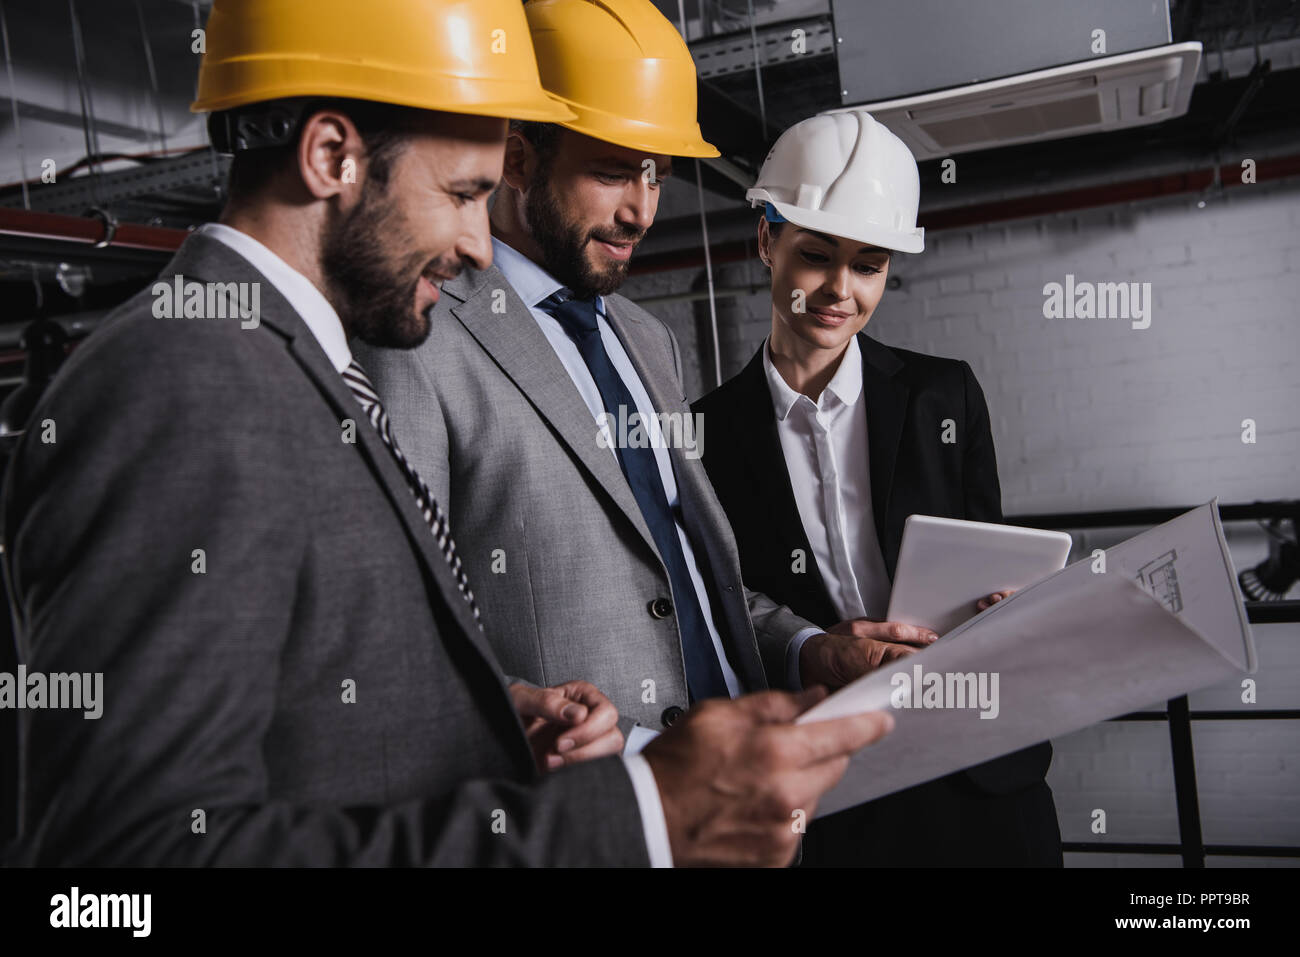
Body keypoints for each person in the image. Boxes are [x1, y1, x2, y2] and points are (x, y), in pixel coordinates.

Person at [0, 0, 893, 868]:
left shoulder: (292, 368)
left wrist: (488, 719)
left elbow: (317, 711)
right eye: (465, 192)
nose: (478, 246)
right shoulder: (181, 385)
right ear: (330, 155)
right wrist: (633, 815)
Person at [355, 0, 903, 754]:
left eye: (657, 177)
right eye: (612, 174)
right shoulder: (419, 335)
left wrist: (811, 647)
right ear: (519, 159)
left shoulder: (649, 341)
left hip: (737, 789)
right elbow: (402, 626)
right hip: (595, 816)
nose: (641, 212)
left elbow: (688, 575)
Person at [693, 110, 1062, 866]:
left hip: (981, 772)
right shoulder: (707, 433)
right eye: (816, 256)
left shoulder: (943, 396)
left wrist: (1010, 605)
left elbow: (990, 554)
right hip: (835, 787)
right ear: (766, 241)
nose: (839, 289)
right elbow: (725, 606)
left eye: (869, 265)